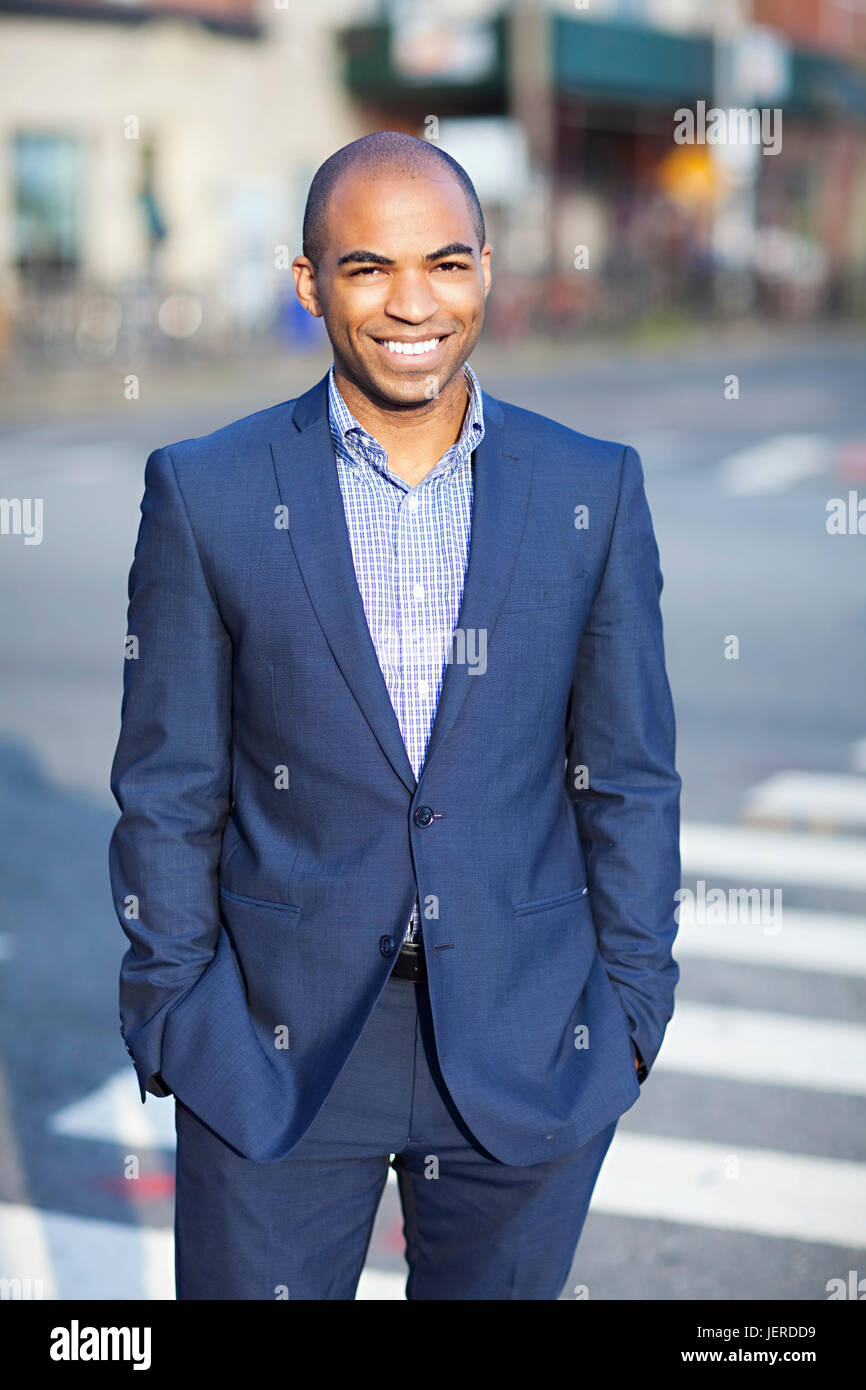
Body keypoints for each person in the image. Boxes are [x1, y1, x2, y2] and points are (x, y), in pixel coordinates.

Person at [109, 130, 681, 1301]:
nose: (411, 303)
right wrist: (175, 1009)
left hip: (527, 1041)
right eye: (367, 267)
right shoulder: (206, 489)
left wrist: (627, 1010)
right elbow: (169, 785)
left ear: (486, 269)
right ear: (310, 282)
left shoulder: (590, 487)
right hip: (272, 1051)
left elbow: (626, 775)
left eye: (447, 262)